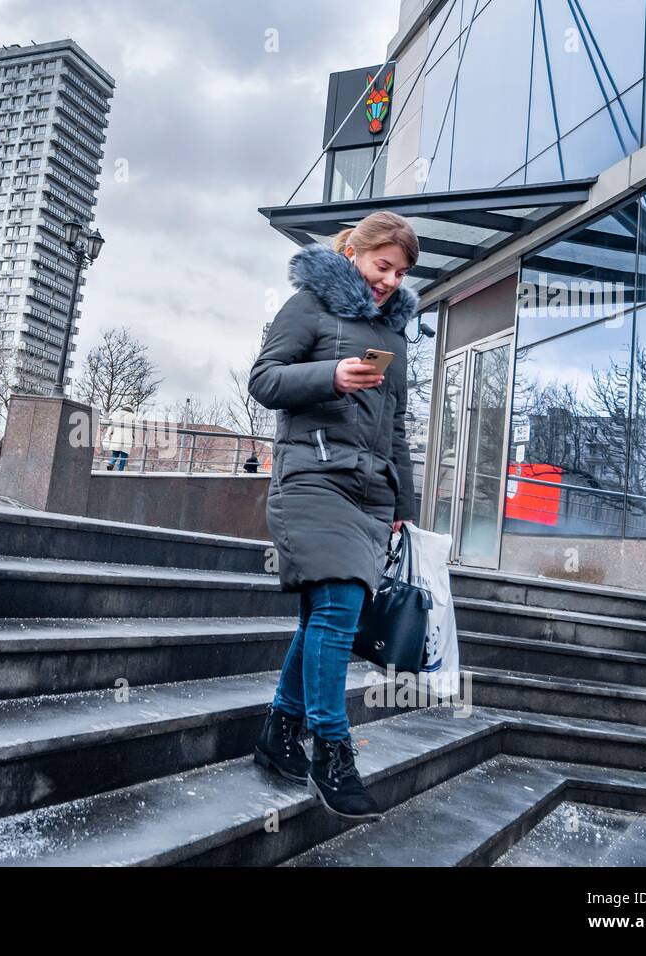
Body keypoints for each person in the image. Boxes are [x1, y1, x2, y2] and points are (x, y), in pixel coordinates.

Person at [246, 211, 420, 822]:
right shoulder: (309, 305)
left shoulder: (394, 337)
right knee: (341, 604)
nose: (390, 281)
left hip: (371, 496)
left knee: (324, 614)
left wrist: (405, 509)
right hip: (312, 480)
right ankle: (333, 750)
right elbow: (263, 380)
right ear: (355, 253)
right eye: (383, 266)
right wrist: (331, 377)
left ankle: (277, 732)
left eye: (400, 273)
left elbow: (396, 425)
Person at [102, 403, 136, 470]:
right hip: (127, 439)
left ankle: (111, 463)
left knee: (115, 454)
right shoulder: (133, 416)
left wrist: (107, 435)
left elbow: (111, 426)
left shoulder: (116, 414)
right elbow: (136, 428)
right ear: (131, 410)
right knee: (123, 457)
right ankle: (120, 471)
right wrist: (134, 438)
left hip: (116, 438)